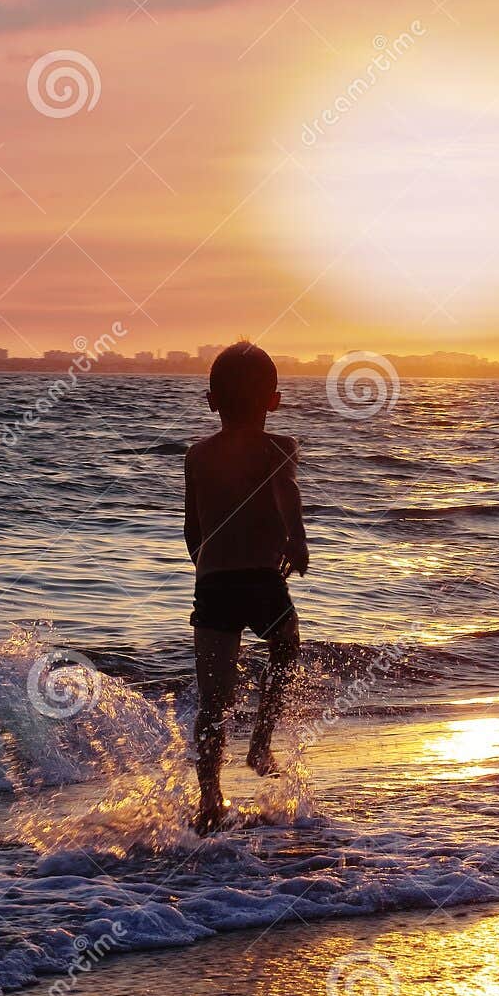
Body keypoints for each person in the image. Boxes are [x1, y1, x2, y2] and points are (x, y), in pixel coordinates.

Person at [183, 341, 309, 834]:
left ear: (211, 401)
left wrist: (206, 566)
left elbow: (192, 528)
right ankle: (260, 742)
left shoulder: (196, 455)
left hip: (213, 585)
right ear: (274, 401)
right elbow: (286, 492)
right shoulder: (280, 447)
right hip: (261, 580)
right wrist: (296, 541)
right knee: (286, 645)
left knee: (213, 699)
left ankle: (209, 799)